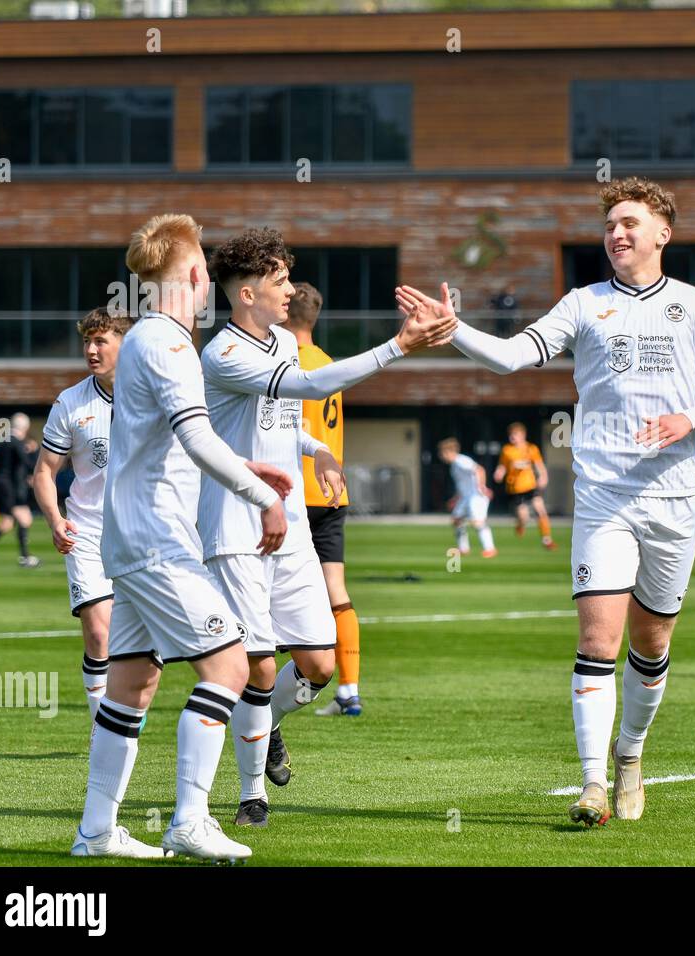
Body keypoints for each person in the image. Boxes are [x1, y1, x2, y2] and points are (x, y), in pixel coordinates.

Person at [397, 176, 695, 826]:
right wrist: (455, 329)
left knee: (653, 639)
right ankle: (591, 786)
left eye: (631, 223)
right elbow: (509, 357)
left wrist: (686, 421)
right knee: (597, 638)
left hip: (672, 499)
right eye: (610, 224)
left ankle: (631, 754)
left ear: (663, 233)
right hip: (603, 499)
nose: (617, 233)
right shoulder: (582, 304)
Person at [201, 229, 454, 827]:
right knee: (259, 668)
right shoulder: (224, 354)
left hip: (288, 528)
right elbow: (314, 386)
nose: (290, 289)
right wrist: (397, 345)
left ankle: (268, 726)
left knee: (319, 665)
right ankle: (249, 797)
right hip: (238, 528)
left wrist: (317, 449)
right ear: (245, 292)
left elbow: (287, 417)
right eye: (280, 279)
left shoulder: (284, 343)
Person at [72, 213, 292, 862]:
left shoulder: (145, 340)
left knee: (132, 686)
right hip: (156, 542)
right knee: (227, 665)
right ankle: (188, 820)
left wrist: (247, 467)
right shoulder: (168, 344)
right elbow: (195, 439)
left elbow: (171, 440)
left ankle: (95, 834)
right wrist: (264, 499)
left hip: (131, 538)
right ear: (196, 275)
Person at [31, 308, 132, 721]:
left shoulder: (152, 393)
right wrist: (56, 521)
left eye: (101, 341)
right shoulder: (71, 401)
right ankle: (101, 728)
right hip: (86, 532)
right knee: (98, 632)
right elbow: (43, 472)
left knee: (146, 643)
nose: (91, 350)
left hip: (143, 533)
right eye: (87, 342)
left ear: (124, 343)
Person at [286, 283, 367, 718]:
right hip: (333, 493)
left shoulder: (284, 362)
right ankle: (348, 690)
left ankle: (279, 685)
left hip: (294, 491)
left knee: (272, 589)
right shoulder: (328, 364)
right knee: (336, 589)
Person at [0, 412, 39, 569]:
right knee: (7, 522)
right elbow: (29, 464)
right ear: (25, 428)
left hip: (2, 487)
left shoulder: (0, 442)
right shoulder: (17, 443)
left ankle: (24, 556)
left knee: (23, 519)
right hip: (10, 489)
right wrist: (34, 451)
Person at [494, 421, 555, 550]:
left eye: (514, 434)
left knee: (540, 510)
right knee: (524, 517)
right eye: (510, 435)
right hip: (515, 488)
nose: (512, 437)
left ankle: (547, 540)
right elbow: (502, 466)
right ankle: (520, 525)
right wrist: (499, 473)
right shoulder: (507, 450)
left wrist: (543, 477)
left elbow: (539, 466)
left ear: (522, 435)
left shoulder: (531, 448)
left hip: (530, 486)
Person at [437, 438, 497, 558]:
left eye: (442, 453)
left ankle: (490, 549)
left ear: (449, 452)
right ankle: (463, 548)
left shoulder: (462, 461)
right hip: (465, 497)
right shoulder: (454, 466)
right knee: (456, 520)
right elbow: (462, 485)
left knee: (477, 522)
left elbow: (479, 469)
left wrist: (482, 487)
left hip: (476, 496)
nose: (441, 456)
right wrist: (455, 498)